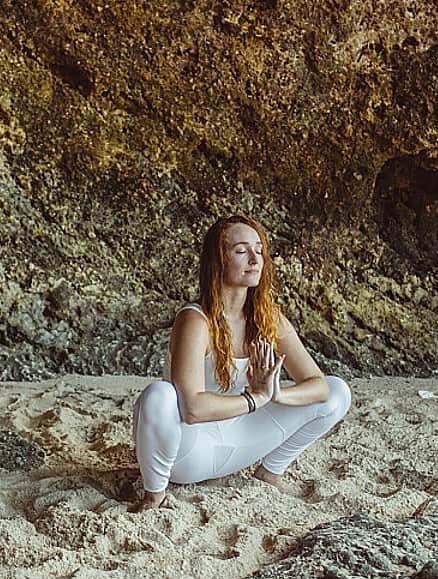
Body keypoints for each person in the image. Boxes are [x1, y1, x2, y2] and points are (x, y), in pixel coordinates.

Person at [130, 214, 352, 512]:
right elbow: (193, 409)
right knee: (158, 394)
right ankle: (155, 495)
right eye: (241, 251)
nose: (255, 259)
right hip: (189, 453)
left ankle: (270, 472)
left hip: (243, 440)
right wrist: (255, 398)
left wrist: (275, 394)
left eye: (259, 250)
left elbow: (319, 386)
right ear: (218, 260)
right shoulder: (195, 320)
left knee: (338, 391)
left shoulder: (267, 317)